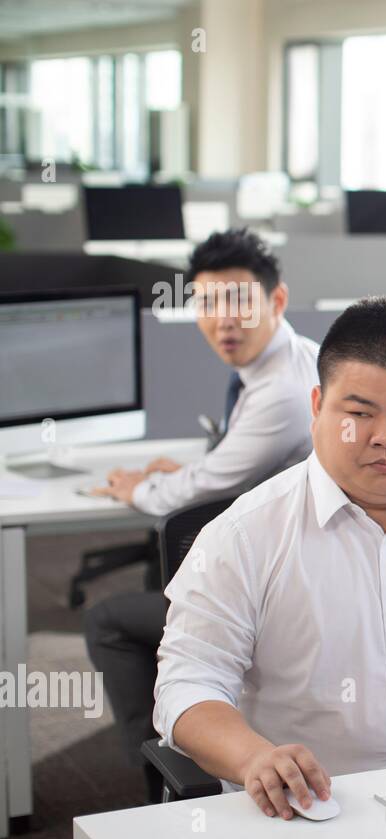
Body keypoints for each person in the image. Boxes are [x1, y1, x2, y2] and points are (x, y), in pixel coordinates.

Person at [154, 297, 386, 820]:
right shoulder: (243, 536)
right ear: (317, 406)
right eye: (359, 414)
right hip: (305, 812)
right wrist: (253, 758)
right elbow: (187, 685)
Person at [83, 228, 320, 801]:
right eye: (208, 304)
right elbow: (236, 465)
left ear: (277, 300)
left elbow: (195, 493)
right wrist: (195, 465)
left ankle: (159, 773)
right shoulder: (292, 360)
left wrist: (139, 487)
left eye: (239, 302)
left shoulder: (283, 392)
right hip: (291, 566)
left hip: (278, 595)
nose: (223, 321)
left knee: (107, 619)